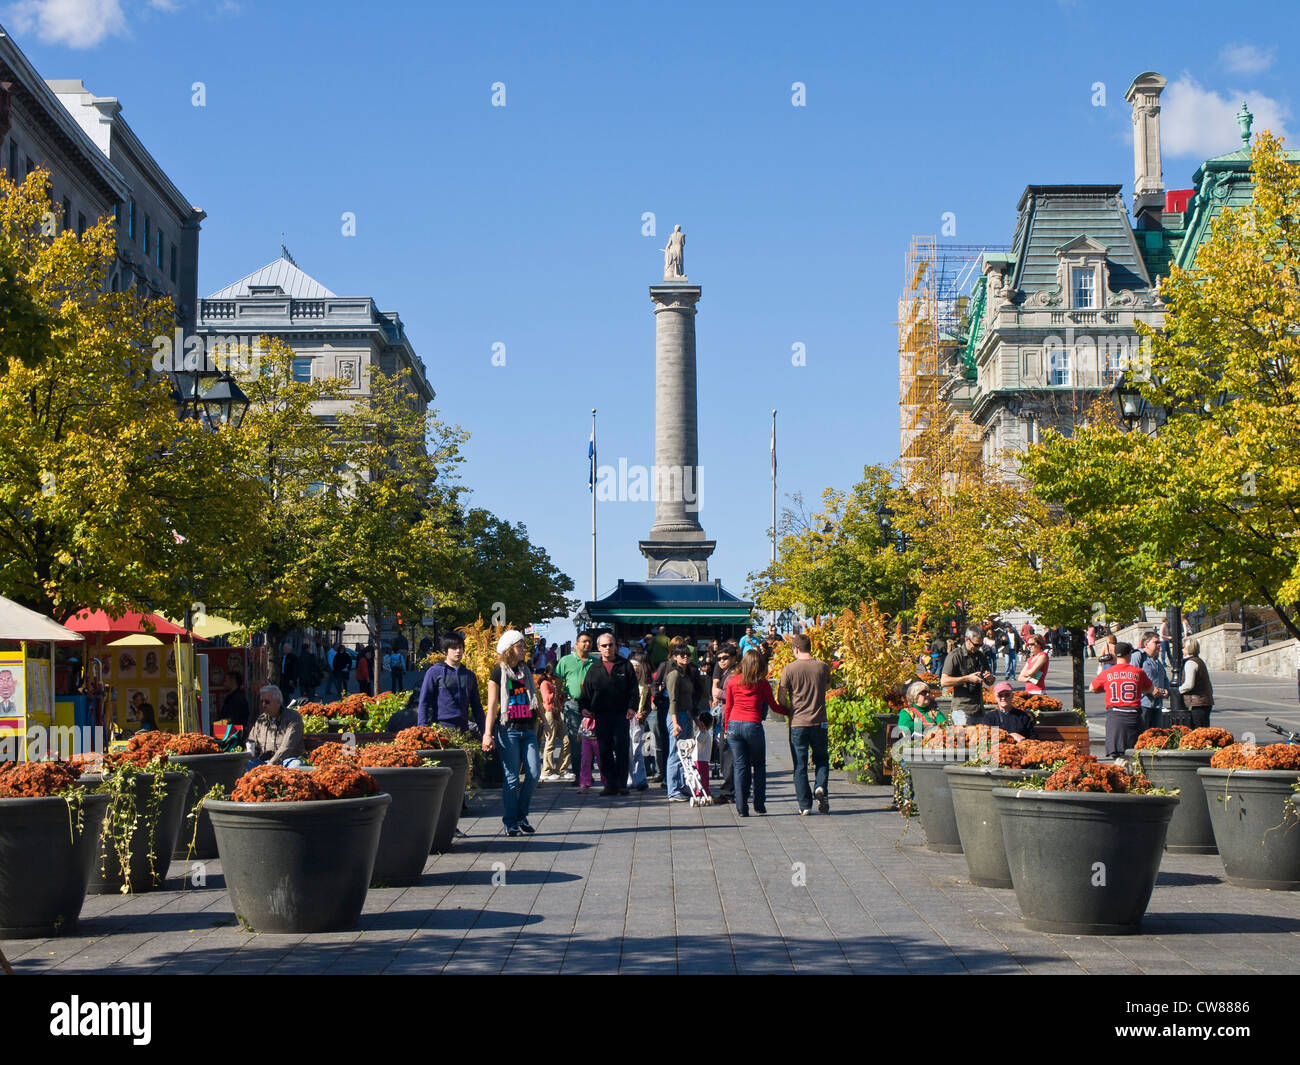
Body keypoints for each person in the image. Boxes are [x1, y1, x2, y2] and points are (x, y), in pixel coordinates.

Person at [484, 630, 542, 836]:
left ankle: (521, 815)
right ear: (509, 649)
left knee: (534, 773)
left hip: (528, 729)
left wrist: (545, 721)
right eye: (520, 646)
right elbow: (492, 705)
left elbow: (534, 698)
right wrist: (487, 733)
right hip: (508, 730)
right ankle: (510, 822)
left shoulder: (526, 670)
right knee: (512, 778)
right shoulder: (498, 672)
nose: (524, 649)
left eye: (524, 646)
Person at [723, 649, 788, 816]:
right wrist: (790, 712)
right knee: (758, 765)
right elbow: (774, 706)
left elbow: (728, 707)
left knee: (740, 766)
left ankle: (741, 807)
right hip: (753, 724)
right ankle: (759, 804)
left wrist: (726, 728)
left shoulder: (733, 681)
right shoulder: (762, 683)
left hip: (734, 724)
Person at [578, 631, 639, 796]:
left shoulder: (625, 665)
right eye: (604, 645)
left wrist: (632, 707)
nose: (607, 648)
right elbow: (586, 693)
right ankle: (610, 784)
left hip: (621, 714)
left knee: (621, 748)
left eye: (610, 645)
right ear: (598, 647)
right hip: (601, 715)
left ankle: (621, 784)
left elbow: (634, 690)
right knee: (603, 750)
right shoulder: (594, 669)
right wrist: (583, 708)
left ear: (615, 646)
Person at [779, 633, 832, 816]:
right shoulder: (822, 667)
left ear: (795, 649)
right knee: (822, 758)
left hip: (798, 722)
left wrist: (790, 708)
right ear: (810, 647)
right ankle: (820, 786)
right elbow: (826, 687)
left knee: (800, 765)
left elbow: (781, 697)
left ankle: (805, 805)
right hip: (819, 721)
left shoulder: (789, 669)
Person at [1091, 640, 1152, 758]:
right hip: (1134, 716)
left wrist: (1107, 688)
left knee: (1118, 756)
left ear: (1115, 654)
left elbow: (1092, 688)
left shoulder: (1107, 673)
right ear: (1129, 654)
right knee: (1136, 754)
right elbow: (1150, 689)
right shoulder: (1138, 672)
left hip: (1115, 716)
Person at [416, 633, 486, 735]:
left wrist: (485, 731)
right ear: (445, 651)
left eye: (460, 647)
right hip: (440, 729)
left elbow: (476, 706)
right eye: (453, 648)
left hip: (463, 729)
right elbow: (424, 701)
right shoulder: (434, 672)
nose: (458, 651)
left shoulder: (469, 675)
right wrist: (422, 729)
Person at [661, 639, 704, 801]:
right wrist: (675, 723)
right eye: (681, 655)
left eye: (687, 654)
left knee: (685, 753)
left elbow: (689, 699)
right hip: (676, 716)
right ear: (675, 657)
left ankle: (681, 785)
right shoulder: (674, 675)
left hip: (686, 715)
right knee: (675, 752)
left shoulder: (686, 674)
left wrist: (695, 718)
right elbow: (672, 700)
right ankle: (673, 789)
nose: (685, 657)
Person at [555, 632, 595, 785]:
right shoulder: (566, 661)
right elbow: (558, 682)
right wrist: (556, 702)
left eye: (589, 641)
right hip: (572, 704)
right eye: (584, 641)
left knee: (592, 740)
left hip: (591, 705)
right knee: (576, 741)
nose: (587, 644)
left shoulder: (595, 662)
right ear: (577, 644)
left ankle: (587, 772)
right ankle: (580, 775)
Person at [941, 625, 994, 724]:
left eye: (981, 645)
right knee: (964, 734)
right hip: (962, 710)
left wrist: (990, 678)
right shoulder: (955, 656)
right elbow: (944, 682)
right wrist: (967, 678)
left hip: (979, 709)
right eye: (976, 644)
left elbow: (989, 681)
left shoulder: (980, 656)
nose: (978, 648)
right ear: (967, 640)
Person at [246, 684, 306, 768]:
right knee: (243, 765)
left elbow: (287, 746)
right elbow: (251, 741)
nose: (263, 705)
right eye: (261, 701)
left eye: (267, 702)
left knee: (296, 765)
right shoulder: (261, 719)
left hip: (286, 760)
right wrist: (250, 755)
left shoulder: (293, 718)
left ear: (278, 702)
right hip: (264, 761)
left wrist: (271, 763)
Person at [712, 643, 739, 802]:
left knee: (727, 756)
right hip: (727, 718)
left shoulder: (732, 676)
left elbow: (735, 695)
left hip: (730, 719)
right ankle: (734, 790)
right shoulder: (727, 673)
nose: (721, 661)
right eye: (719, 658)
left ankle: (728, 791)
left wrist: (719, 693)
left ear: (733, 658)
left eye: (725, 658)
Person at [537, 663, 571, 782]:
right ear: (547, 673)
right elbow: (547, 699)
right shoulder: (544, 683)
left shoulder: (553, 683)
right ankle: (546, 771)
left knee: (567, 740)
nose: (555, 677)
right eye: (553, 675)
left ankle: (562, 769)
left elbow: (559, 698)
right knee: (550, 742)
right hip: (549, 713)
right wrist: (556, 689)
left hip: (558, 712)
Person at [1131, 632, 1171, 730]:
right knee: (1141, 734)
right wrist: (1149, 690)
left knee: (1155, 734)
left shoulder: (1157, 662)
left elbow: (1165, 679)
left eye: (1159, 642)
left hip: (1157, 705)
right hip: (1143, 705)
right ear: (1146, 644)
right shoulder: (1138, 656)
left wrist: (1166, 690)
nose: (1159, 645)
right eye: (1156, 642)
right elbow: (1131, 679)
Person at [1179, 637, 1215, 728]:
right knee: (1203, 729)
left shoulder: (1190, 663)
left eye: (1183, 647)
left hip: (1197, 703)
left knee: (1198, 730)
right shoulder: (1199, 661)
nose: (1182, 649)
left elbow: (1189, 685)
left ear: (1188, 649)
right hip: (1205, 701)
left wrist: (1176, 691)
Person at [628, 654, 652, 790]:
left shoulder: (645, 688)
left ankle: (640, 779)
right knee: (627, 750)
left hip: (639, 723)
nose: (635, 675)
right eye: (633, 672)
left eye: (638, 672)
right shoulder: (622, 687)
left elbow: (648, 707)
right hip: (626, 722)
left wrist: (642, 714)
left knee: (638, 750)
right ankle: (628, 779)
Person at [693, 710, 714, 798]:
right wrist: (703, 731)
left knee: (701, 777)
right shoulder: (703, 733)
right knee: (703, 777)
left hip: (702, 759)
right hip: (701, 760)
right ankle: (703, 792)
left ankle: (701, 791)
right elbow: (699, 740)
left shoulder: (702, 732)